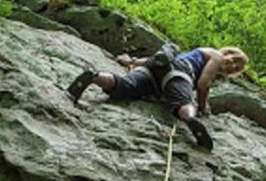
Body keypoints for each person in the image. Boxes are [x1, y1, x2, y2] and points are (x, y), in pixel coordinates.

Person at [66, 43, 248, 151]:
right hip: (179, 73)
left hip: (154, 71)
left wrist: (131, 61)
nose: (232, 65)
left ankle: (94, 77)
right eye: (234, 60)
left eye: (236, 68)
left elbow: (151, 61)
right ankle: (190, 118)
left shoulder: (194, 52)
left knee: (124, 87)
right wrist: (202, 105)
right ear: (227, 52)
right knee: (183, 101)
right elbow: (203, 85)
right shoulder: (215, 56)